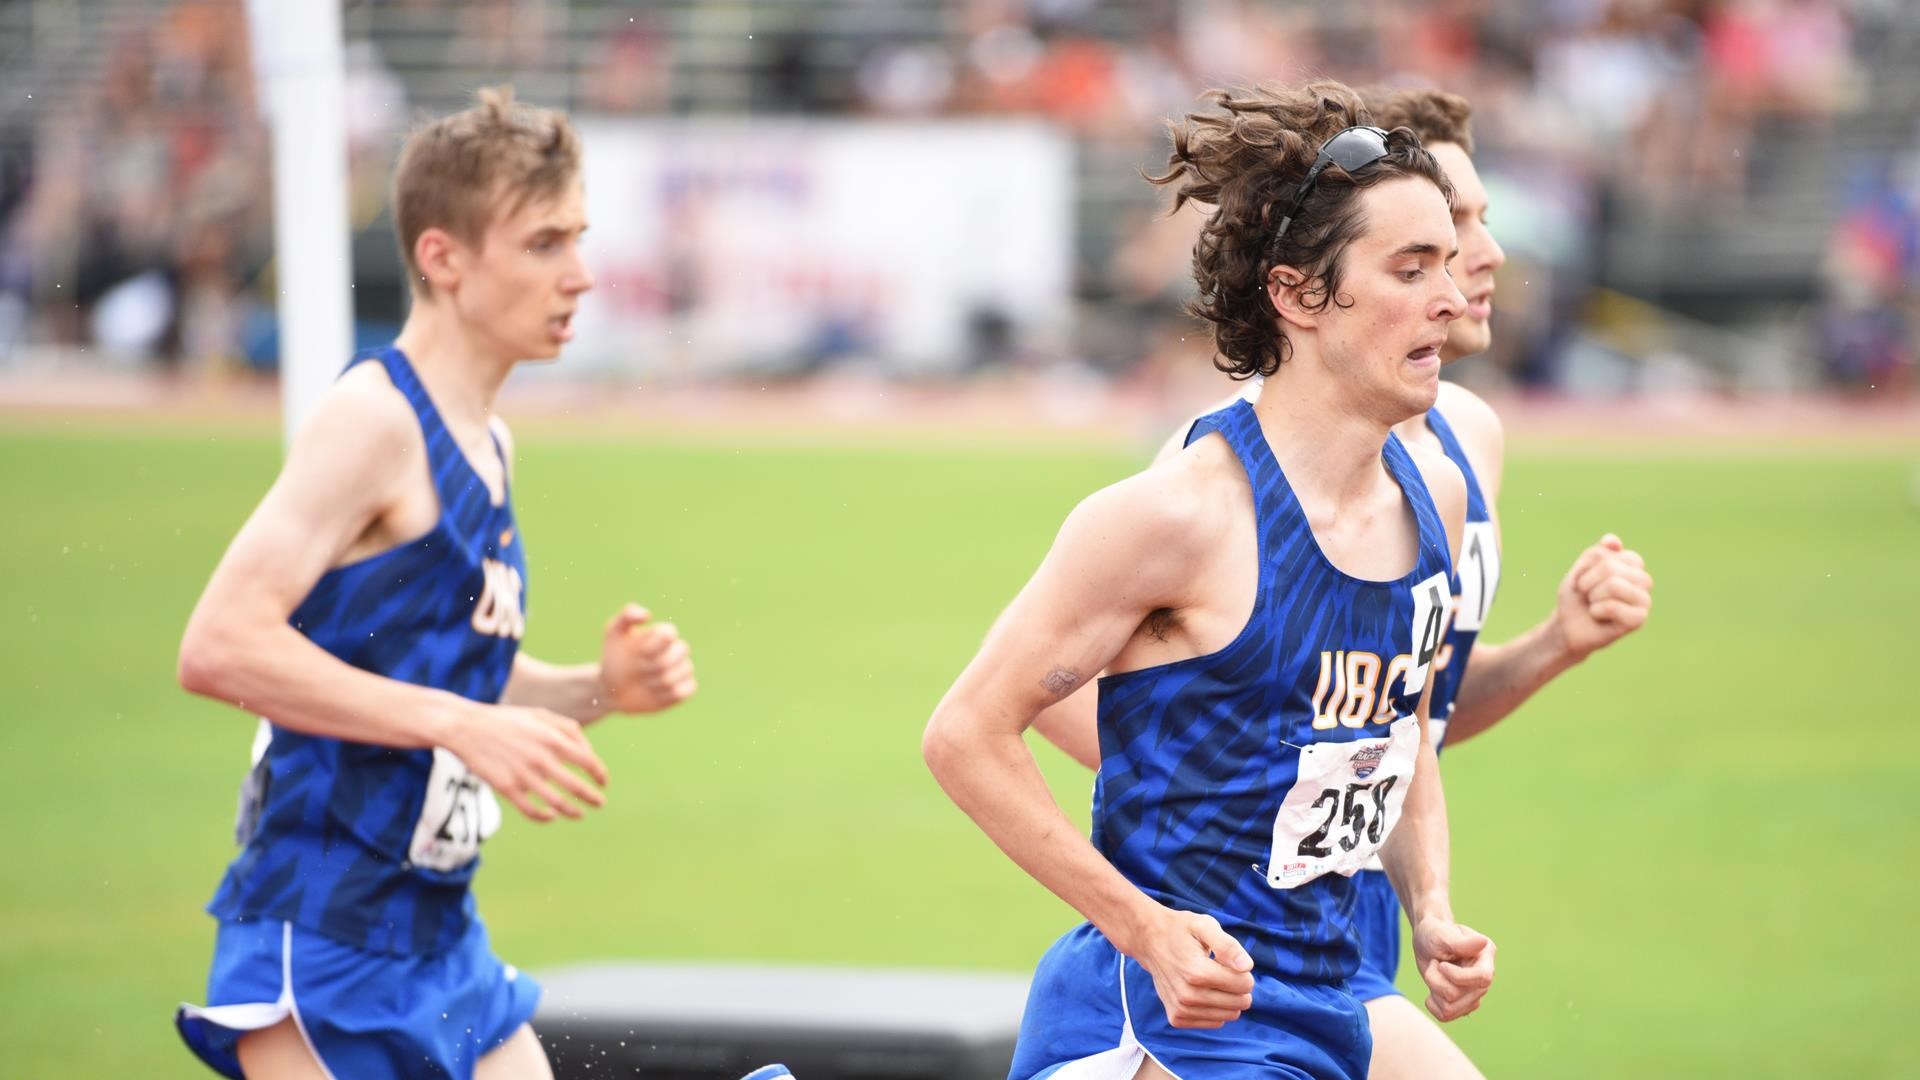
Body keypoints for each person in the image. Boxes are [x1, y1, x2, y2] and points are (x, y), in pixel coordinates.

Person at [1031, 88, 1656, 1080]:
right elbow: (1041, 709)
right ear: (1313, 285)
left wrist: (1550, 651)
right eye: (1435, 246)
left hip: (1343, 923)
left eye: (1468, 240)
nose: (1474, 266)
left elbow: (1405, 715)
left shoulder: (1456, 463)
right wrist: (1203, 823)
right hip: (1210, 937)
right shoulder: (1202, 492)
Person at [923, 81, 1494, 1080]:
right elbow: (965, 733)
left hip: (1337, 987)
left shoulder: (1436, 495)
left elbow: (1396, 729)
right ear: (1298, 294)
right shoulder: (1176, 515)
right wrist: (1145, 928)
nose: (1451, 296)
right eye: (1411, 268)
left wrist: (1430, 905)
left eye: (1447, 262)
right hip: (1168, 1007)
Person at [172, 88, 698, 1079]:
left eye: (580, 239)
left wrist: (600, 689)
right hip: (321, 942)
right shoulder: (373, 421)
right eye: (545, 243)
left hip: (441, 942)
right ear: (443, 258)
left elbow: (461, 678)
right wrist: (455, 725)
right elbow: (220, 644)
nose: (581, 276)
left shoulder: (490, 442)